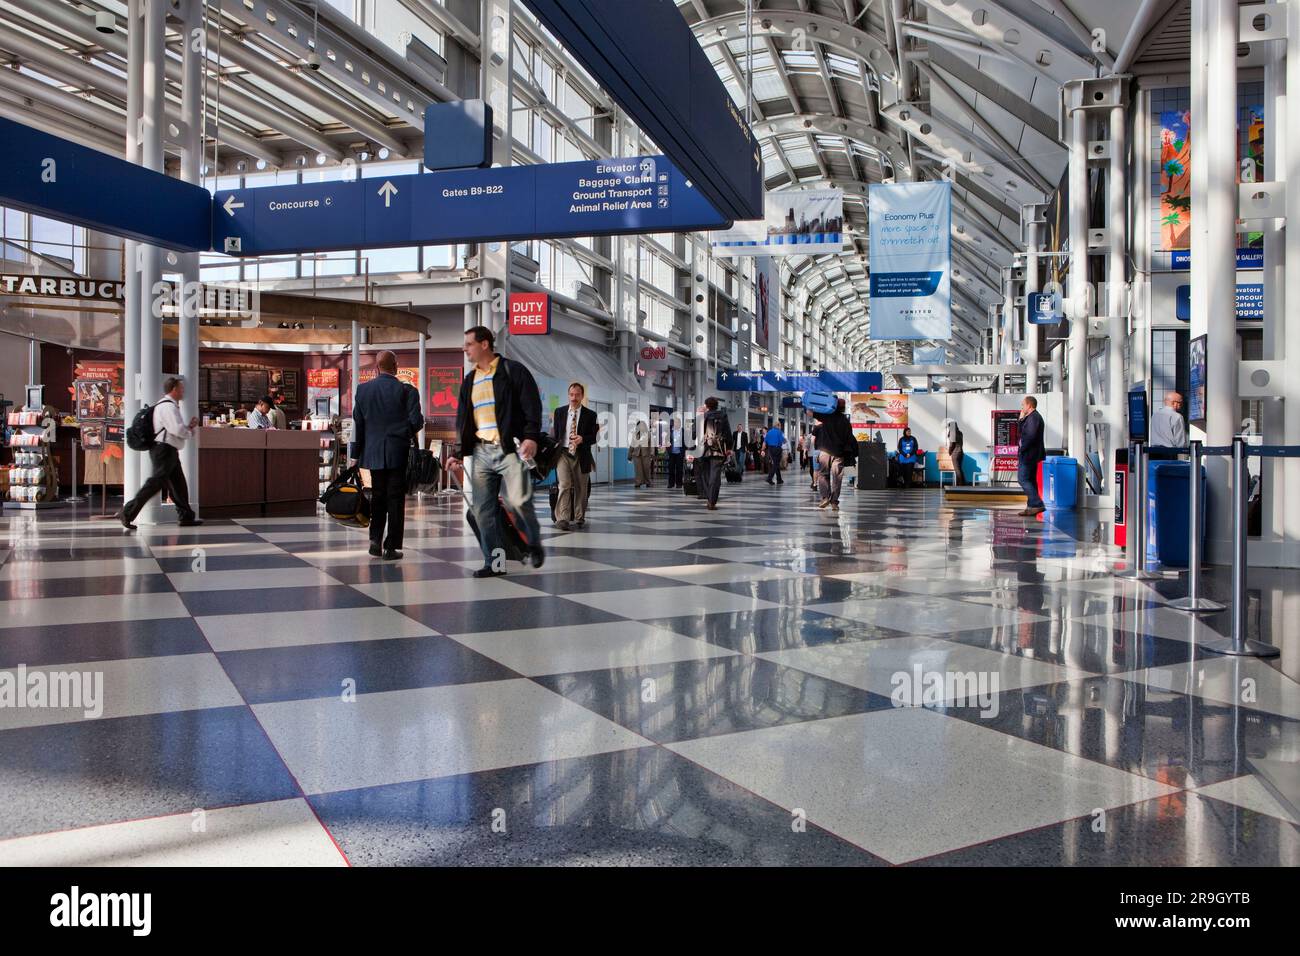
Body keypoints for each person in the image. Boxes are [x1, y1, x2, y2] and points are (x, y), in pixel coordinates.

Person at [447, 326, 546, 576]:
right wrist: (457, 453)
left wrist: (531, 437)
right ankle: (496, 563)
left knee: (518, 502)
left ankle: (532, 544)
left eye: (468, 344)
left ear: (484, 345)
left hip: (509, 449)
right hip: (481, 452)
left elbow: (531, 406)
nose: (464, 348)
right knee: (483, 511)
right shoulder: (470, 380)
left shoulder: (513, 371)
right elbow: (463, 420)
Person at [353, 350, 423, 560]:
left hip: (373, 452)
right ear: (396, 367)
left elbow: (359, 424)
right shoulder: (407, 391)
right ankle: (391, 546)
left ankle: (375, 540)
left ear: (377, 367)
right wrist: (403, 433)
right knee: (395, 499)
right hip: (397, 451)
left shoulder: (363, 390)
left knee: (377, 496)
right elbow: (416, 421)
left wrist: (356, 454)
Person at [117, 376, 201, 529]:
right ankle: (127, 512)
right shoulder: (168, 407)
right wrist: (189, 431)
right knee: (155, 483)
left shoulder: (166, 405)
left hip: (168, 449)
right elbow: (176, 429)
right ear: (174, 389)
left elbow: (174, 428)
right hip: (164, 450)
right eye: (181, 388)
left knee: (178, 484)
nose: (183, 391)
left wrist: (188, 428)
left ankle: (186, 516)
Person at [551, 381, 598, 530]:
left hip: (581, 454)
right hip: (563, 453)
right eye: (571, 394)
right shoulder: (559, 412)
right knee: (564, 485)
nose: (574, 397)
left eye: (577, 395)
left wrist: (582, 439)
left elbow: (593, 438)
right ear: (568, 395)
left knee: (581, 487)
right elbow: (555, 435)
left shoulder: (591, 415)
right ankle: (563, 518)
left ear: (582, 396)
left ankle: (579, 517)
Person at [815, 399, 858, 511]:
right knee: (837, 478)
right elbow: (850, 439)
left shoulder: (827, 416)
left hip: (825, 451)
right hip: (838, 454)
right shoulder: (845, 421)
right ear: (843, 408)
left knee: (823, 474)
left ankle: (825, 497)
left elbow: (812, 412)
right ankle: (834, 502)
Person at [695, 397, 733, 510]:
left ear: (707, 406)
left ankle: (709, 497)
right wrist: (729, 448)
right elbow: (728, 433)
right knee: (715, 476)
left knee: (706, 475)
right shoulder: (723, 415)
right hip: (719, 450)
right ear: (717, 405)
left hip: (703, 449)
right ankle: (712, 501)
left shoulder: (702, 417)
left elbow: (693, 433)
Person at [1017, 396, 1046, 516]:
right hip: (1030, 453)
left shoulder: (1034, 418)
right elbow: (1021, 432)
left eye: (1023, 405)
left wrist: (1022, 449)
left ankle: (1037, 504)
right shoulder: (1030, 418)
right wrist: (1021, 419)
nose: (1021, 407)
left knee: (1022, 479)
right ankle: (1031, 507)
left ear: (1029, 405)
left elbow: (1030, 436)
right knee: (1030, 480)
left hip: (1029, 454)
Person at [627, 416, 654, 488]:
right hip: (636, 454)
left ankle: (648, 482)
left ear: (644, 426)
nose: (640, 427)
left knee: (646, 469)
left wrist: (652, 453)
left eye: (641, 425)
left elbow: (652, 444)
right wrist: (629, 455)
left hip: (646, 454)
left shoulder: (648, 434)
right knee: (638, 470)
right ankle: (638, 482)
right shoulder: (635, 434)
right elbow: (632, 445)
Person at [666, 414, 686, 489]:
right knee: (671, 469)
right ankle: (670, 484)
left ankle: (679, 483)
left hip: (679, 453)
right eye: (675, 422)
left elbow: (685, 442)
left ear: (680, 423)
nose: (676, 424)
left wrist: (685, 452)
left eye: (678, 422)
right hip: (671, 453)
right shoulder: (670, 431)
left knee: (679, 469)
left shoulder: (683, 431)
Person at [763, 420, 785, 485]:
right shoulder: (779, 432)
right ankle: (769, 478)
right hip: (777, 448)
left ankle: (779, 479)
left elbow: (765, 441)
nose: (780, 427)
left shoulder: (769, 432)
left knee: (776, 463)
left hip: (770, 449)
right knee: (776, 464)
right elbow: (782, 441)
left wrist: (763, 450)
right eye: (780, 425)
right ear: (778, 425)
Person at [947, 421, 965, 486]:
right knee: (959, 469)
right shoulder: (960, 433)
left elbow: (952, 445)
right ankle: (961, 483)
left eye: (949, 427)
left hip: (955, 453)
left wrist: (949, 452)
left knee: (957, 470)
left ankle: (960, 485)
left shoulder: (952, 433)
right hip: (961, 452)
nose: (949, 428)